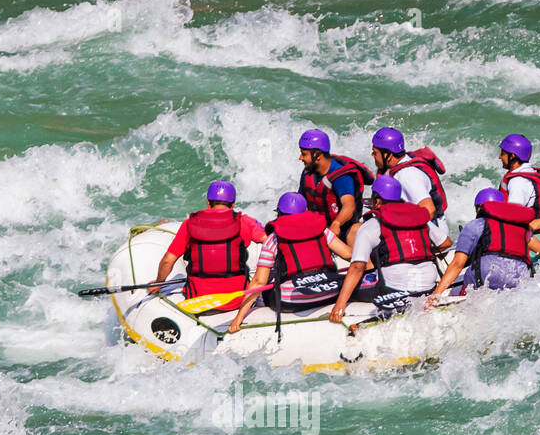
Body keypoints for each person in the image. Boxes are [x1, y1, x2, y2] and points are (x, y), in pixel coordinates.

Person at [328, 175, 451, 324]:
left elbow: (357, 266)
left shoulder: (373, 224)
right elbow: (446, 243)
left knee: (342, 285)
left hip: (393, 289)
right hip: (428, 286)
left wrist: (340, 305)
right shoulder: (418, 218)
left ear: (377, 201)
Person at [226, 192, 354, 333]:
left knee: (266, 289)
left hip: (292, 302)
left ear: (279, 213)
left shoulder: (274, 239)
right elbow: (349, 255)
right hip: (329, 293)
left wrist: (239, 318)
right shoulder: (322, 231)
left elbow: (258, 282)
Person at [427, 188, 540, 302]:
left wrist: (435, 295)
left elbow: (457, 264)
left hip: (486, 277)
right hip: (518, 279)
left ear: (479, 208)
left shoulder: (476, 225)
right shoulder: (520, 227)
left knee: (464, 282)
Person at [149, 180, 266, 300]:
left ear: (208, 202)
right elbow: (269, 242)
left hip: (198, 298)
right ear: (233, 204)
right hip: (237, 299)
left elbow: (168, 261)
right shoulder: (245, 222)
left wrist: (159, 282)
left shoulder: (189, 224)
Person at [296, 129, 373, 243]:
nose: (300, 158)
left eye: (304, 154)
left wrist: (336, 224)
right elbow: (301, 200)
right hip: (319, 229)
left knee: (354, 231)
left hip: (342, 231)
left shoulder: (341, 177)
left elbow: (349, 205)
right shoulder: (308, 172)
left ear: (317, 155)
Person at [370, 127, 449, 224]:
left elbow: (429, 210)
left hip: (431, 232)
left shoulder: (407, 175)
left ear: (388, 154)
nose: (372, 155)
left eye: (375, 152)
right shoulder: (404, 161)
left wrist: (399, 228)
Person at [497, 133, 540, 219]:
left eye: (502, 154)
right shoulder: (533, 172)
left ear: (512, 156)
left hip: (528, 231)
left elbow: (513, 215)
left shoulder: (518, 181)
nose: (499, 157)